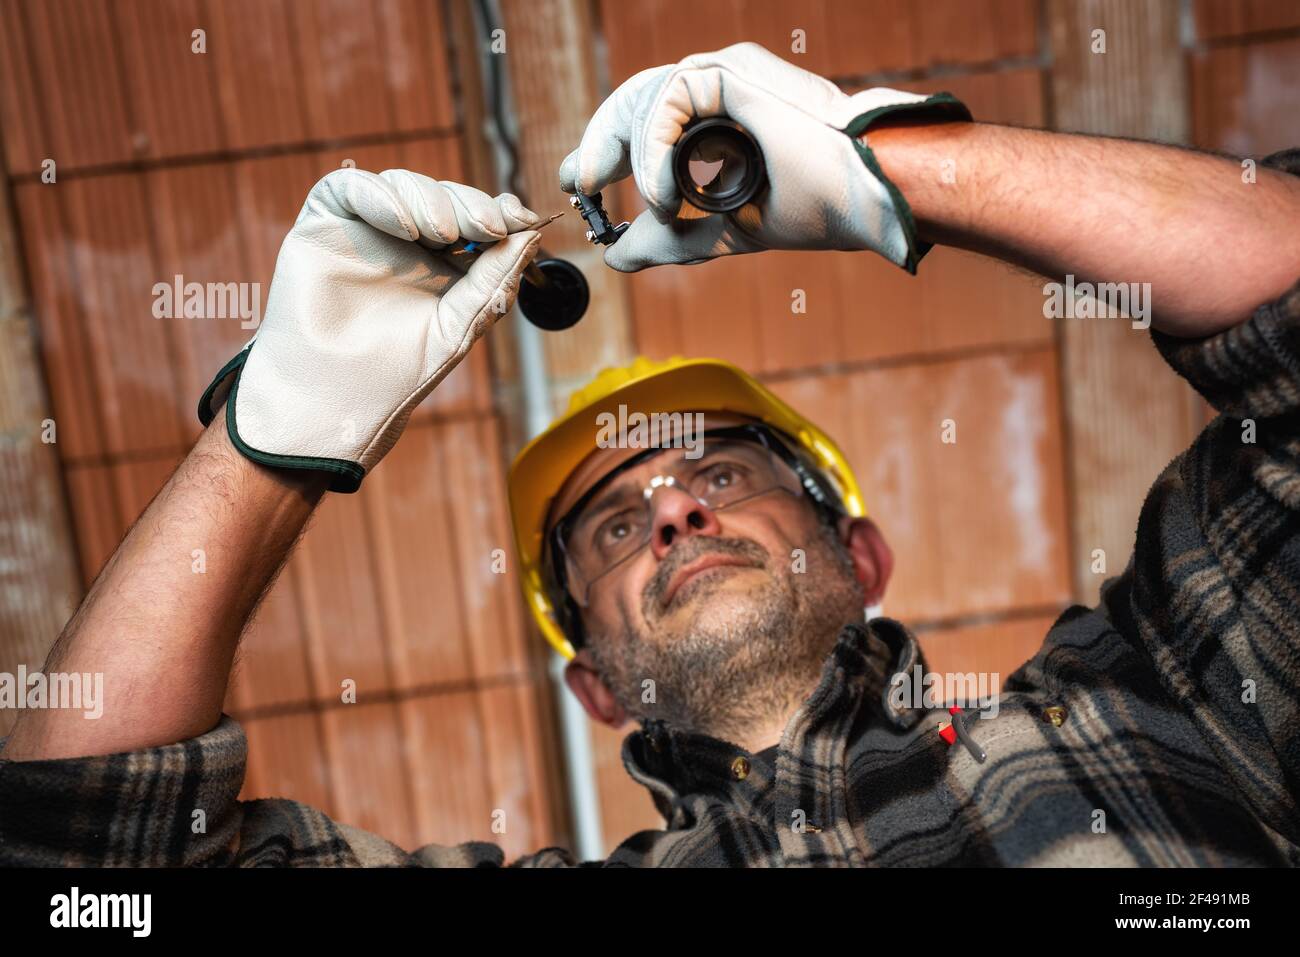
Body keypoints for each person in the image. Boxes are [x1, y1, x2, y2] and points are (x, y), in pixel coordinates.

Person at [2, 43, 1297, 867]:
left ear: (860, 549)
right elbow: (81, 868)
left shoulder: (1163, 694)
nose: (672, 512)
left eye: (721, 472)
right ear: (595, 688)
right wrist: (275, 432)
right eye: (613, 527)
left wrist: (895, 163)